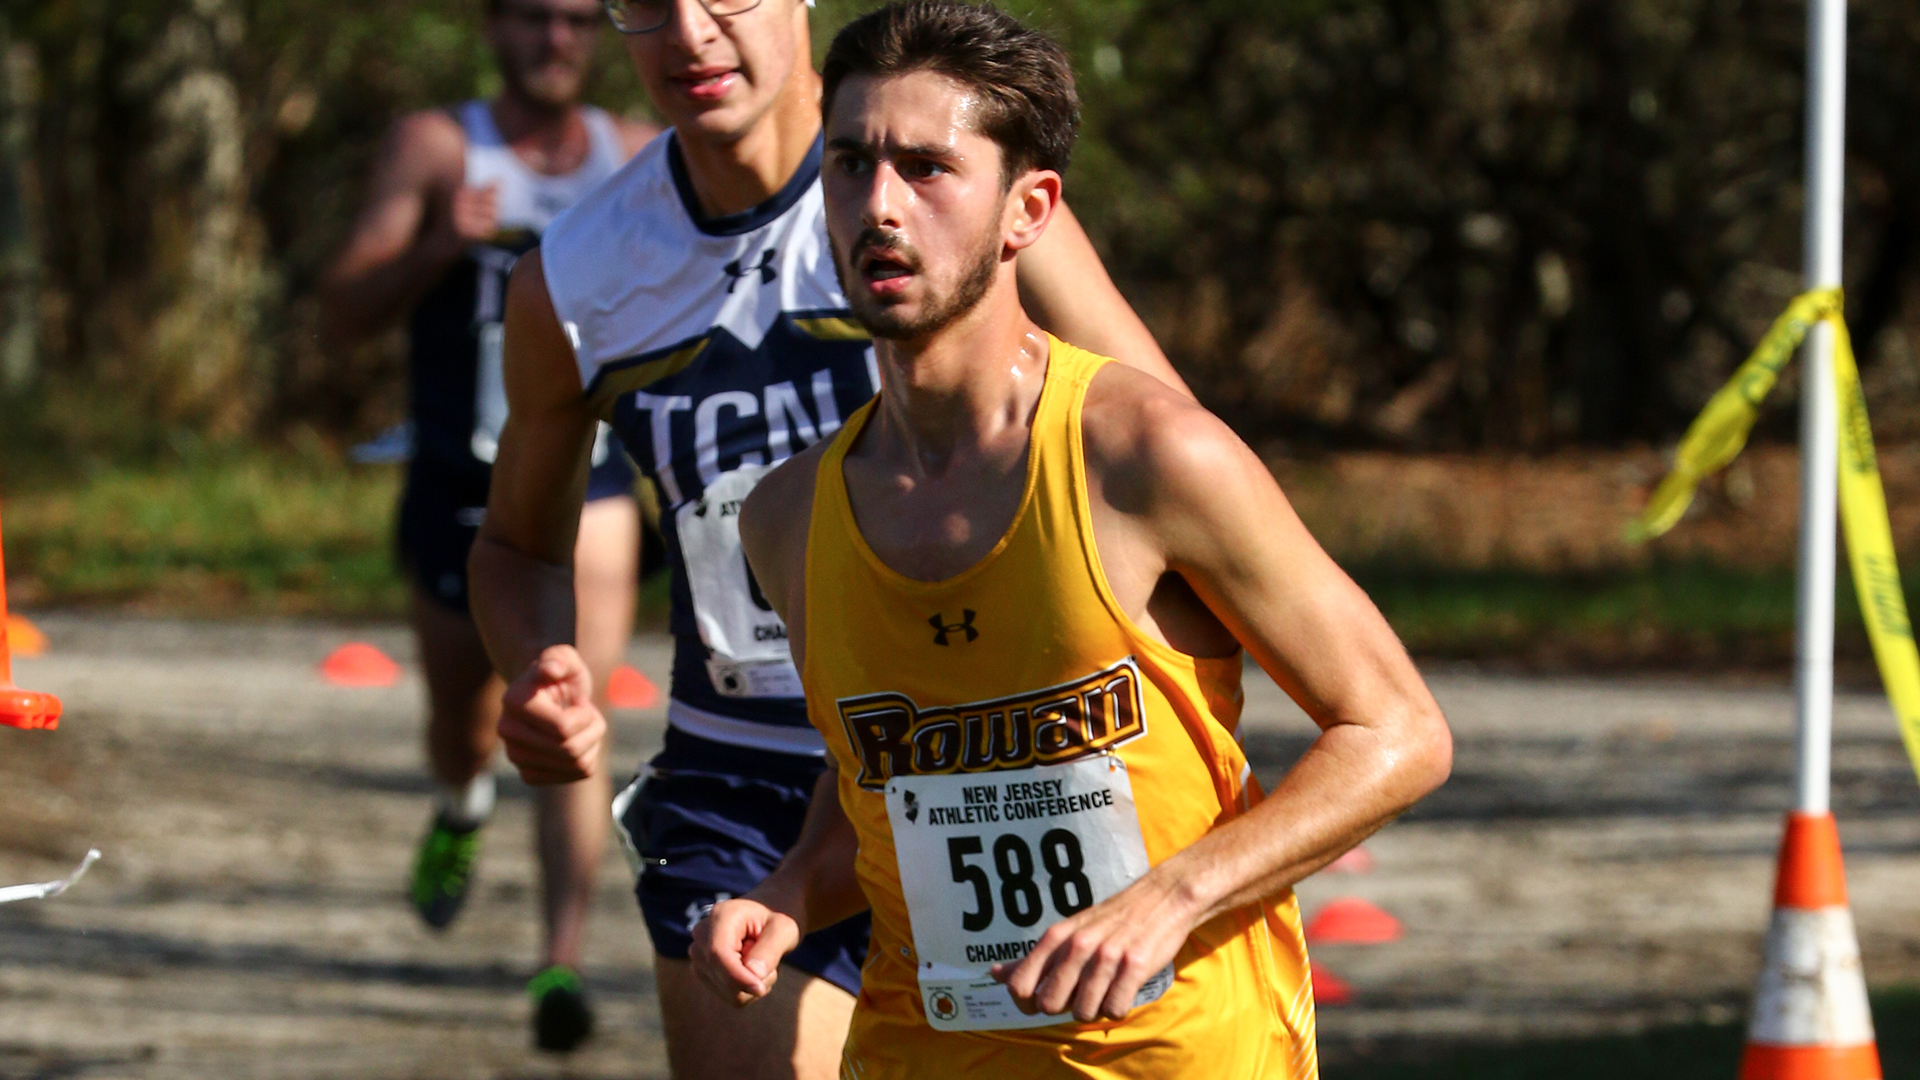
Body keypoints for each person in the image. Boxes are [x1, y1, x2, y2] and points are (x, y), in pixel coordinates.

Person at [683, 3, 1456, 1076]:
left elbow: (1397, 733)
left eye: (927, 167)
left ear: (1027, 210)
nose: (879, 206)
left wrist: (1167, 900)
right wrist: (784, 893)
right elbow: (874, 782)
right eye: (852, 164)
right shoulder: (788, 516)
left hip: (1178, 1055)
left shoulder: (1150, 457)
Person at [466, 0, 1195, 1076]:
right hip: (746, 783)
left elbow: (1164, 454)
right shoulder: (574, 281)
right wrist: (537, 668)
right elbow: (520, 547)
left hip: (979, 763)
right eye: (644, 5)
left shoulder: (946, 188)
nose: (688, 33)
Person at [318, 0, 658, 1052]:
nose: (553, 41)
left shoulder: (635, 154)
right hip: (455, 483)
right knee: (464, 721)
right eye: (529, 19)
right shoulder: (435, 145)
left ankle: (559, 963)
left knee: (568, 704)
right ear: (491, 28)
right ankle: (461, 804)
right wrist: (437, 245)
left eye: (573, 20)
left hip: (591, 482)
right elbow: (339, 313)